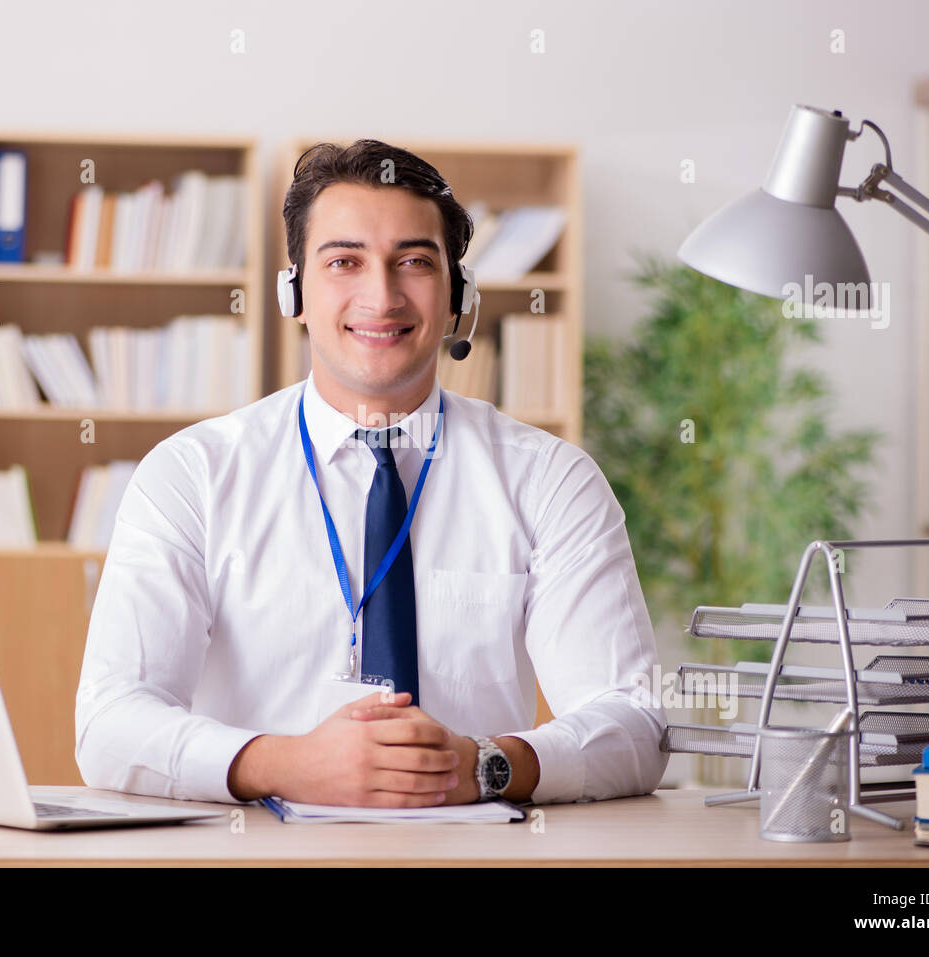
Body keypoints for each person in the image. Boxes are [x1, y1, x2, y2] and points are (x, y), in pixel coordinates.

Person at [75, 139, 668, 808]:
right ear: (293, 291)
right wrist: (282, 763)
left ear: (458, 296)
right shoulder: (190, 476)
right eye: (344, 261)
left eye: (413, 261)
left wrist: (486, 764)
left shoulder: (551, 480)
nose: (380, 295)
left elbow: (636, 722)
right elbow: (109, 724)